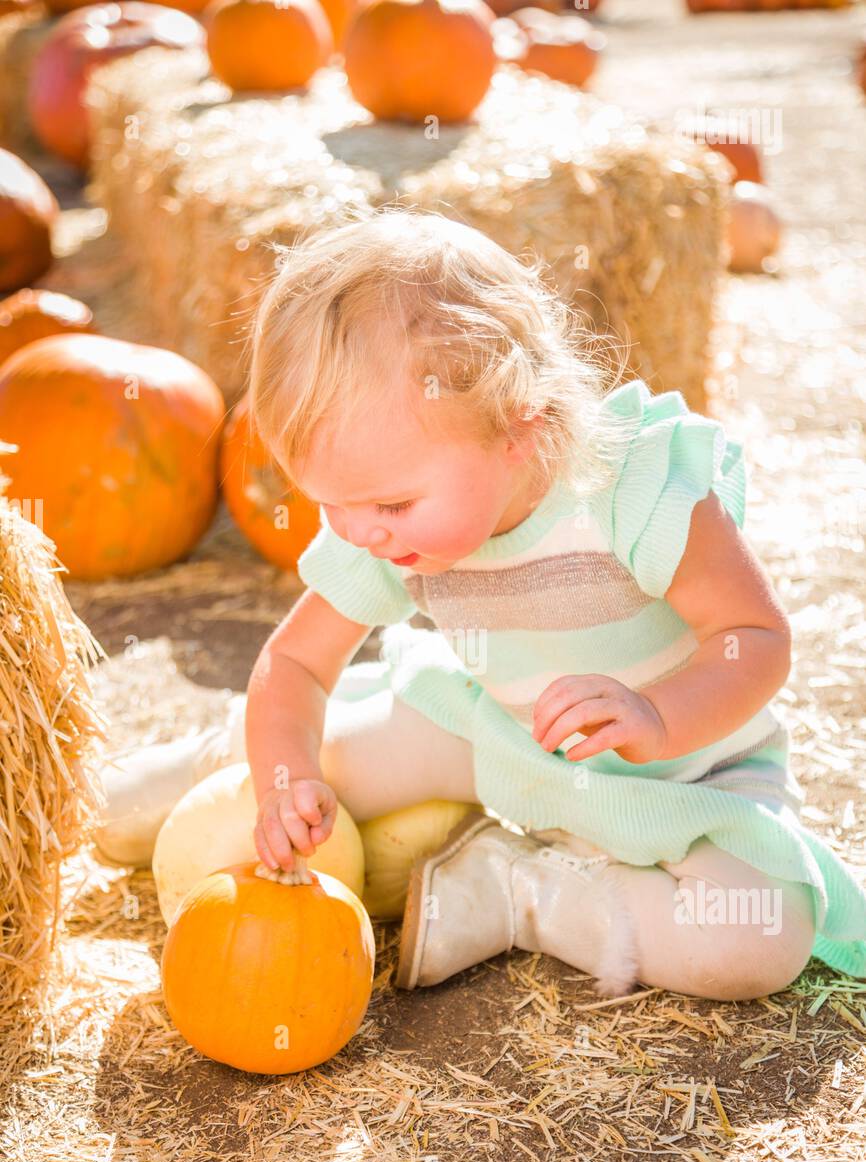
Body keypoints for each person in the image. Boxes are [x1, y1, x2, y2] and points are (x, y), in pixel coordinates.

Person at [95, 207, 866, 1000]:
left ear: (518, 428)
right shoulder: (392, 524)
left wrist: (658, 714)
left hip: (692, 776)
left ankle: (515, 891)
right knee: (320, 754)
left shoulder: (632, 486)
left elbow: (755, 637)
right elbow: (296, 664)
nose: (359, 532)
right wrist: (286, 780)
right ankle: (176, 774)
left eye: (390, 506)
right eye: (331, 506)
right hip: (495, 731)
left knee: (757, 940)